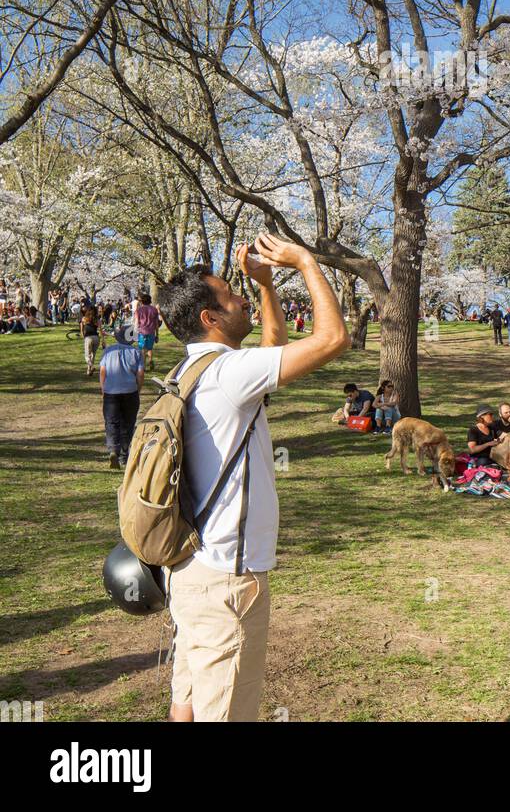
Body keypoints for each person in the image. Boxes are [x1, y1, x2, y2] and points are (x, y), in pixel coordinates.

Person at [159, 234, 349, 723]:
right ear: (211, 318)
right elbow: (332, 340)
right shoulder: (228, 373)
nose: (240, 297)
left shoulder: (192, 369)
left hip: (189, 568)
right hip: (228, 581)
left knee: (188, 703)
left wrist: (265, 286)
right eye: (231, 295)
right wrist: (305, 262)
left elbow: (271, 352)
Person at [99, 336, 145, 469]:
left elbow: (103, 372)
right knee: (128, 423)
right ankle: (124, 456)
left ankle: (113, 450)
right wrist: (138, 389)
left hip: (110, 392)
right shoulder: (136, 352)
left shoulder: (108, 351)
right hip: (130, 391)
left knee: (111, 422)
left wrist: (103, 389)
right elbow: (140, 373)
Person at [134, 291, 160, 370]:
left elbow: (136, 322)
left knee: (142, 349)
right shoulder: (154, 310)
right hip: (151, 332)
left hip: (142, 332)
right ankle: (151, 360)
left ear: (142, 301)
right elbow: (156, 323)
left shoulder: (139, 310)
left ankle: (143, 366)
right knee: (149, 348)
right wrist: (157, 334)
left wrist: (135, 332)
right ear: (150, 301)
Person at [80, 304, 100, 376]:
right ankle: (89, 370)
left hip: (88, 338)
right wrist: (103, 340)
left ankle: (91, 365)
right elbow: (100, 330)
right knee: (93, 355)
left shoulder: (84, 318)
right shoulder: (97, 319)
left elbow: (81, 326)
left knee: (87, 355)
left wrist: (82, 333)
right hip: (96, 338)